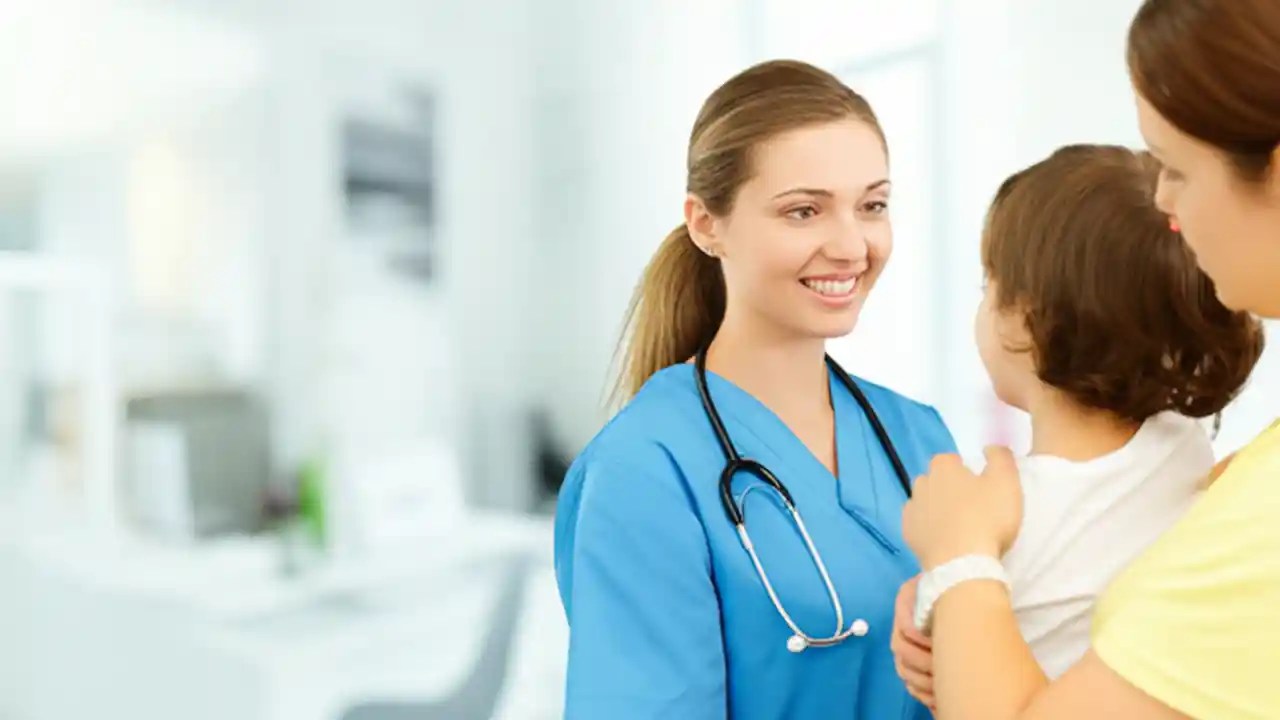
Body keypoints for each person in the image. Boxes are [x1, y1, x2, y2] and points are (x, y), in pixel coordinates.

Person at [895, 1, 1280, 718]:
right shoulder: (1197, 457)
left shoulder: (1010, 516)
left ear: (1030, 321)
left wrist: (958, 562)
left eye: (1177, 169)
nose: (1167, 202)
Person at [553, 59, 957, 719]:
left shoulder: (920, 436)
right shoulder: (645, 472)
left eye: (872, 205)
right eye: (804, 211)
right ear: (707, 224)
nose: (853, 245)